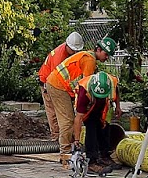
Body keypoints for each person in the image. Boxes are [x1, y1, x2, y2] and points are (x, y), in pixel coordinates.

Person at [42, 36, 117, 165]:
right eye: (106, 54)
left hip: (59, 84)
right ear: (98, 49)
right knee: (67, 120)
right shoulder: (90, 60)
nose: (107, 57)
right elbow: (86, 86)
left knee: (70, 119)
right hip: (57, 86)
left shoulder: (88, 57)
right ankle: (65, 153)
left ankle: (68, 149)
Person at [37, 32, 85, 140]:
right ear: (67, 46)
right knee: (53, 111)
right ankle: (56, 137)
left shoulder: (69, 54)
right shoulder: (59, 57)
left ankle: (67, 136)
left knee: (62, 111)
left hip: (56, 82)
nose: (75, 53)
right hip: (46, 81)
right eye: (73, 50)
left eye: (77, 50)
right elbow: (57, 80)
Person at [79, 67, 121, 173]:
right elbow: (78, 118)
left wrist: (118, 106)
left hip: (103, 108)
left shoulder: (112, 82)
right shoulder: (84, 91)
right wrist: (76, 140)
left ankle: (104, 155)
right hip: (89, 108)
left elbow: (116, 92)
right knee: (91, 128)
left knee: (105, 126)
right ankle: (91, 162)